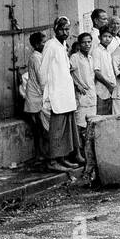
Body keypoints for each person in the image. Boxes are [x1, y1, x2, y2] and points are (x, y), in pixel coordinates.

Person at [40, 17, 81, 171]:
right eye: (62, 29)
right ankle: (52, 162)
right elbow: (43, 72)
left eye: (67, 29)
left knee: (66, 130)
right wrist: (47, 94)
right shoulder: (50, 46)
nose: (65, 32)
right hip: (56, 95)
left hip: (66, 95)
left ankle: (62, 158)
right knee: (56, 130)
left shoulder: (62, 45)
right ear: (55, 29)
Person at [70, 32, 98, 150]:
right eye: (84, 42)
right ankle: (78, 153)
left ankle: (88, 153)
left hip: (92, 96)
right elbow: (67, 72)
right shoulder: (75, 57)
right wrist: (77, 85)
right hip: (81, 97)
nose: (87, 44)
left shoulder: (91, 57)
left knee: (90, 126)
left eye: (89, 42)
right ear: (79, 44)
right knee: (80, 126)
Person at [22, 30, 47, 159]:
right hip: (35, 96)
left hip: (37, 95)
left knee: (41, 128)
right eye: (44, 42)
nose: (46, 44)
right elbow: (41, 78)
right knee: (38, 129)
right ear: (37, 45)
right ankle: (39, 154)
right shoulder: (36, 58)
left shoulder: (40, 56)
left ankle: (42, 154)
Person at [91, 28, 116, 117]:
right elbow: (96, 72)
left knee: (109, 117)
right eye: (105, 36)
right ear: (99, 37)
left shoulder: (108, 52)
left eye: (110, 37)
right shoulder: (96, 51)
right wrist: (108, 85)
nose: (107, 39)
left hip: (110, 90)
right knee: (100, 117)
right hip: (101, 89)